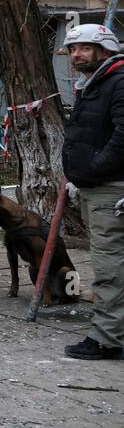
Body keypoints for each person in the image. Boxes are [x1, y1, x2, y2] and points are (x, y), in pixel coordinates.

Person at [61, 22, 124, 361]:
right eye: (72, 49)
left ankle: (108, 339)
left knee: (110, 268)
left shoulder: (117, 82)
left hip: (109, 190)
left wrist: (93, 168)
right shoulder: (96, 84)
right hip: (99, 187)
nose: (77, 54)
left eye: (84, 48)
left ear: (105, 50)